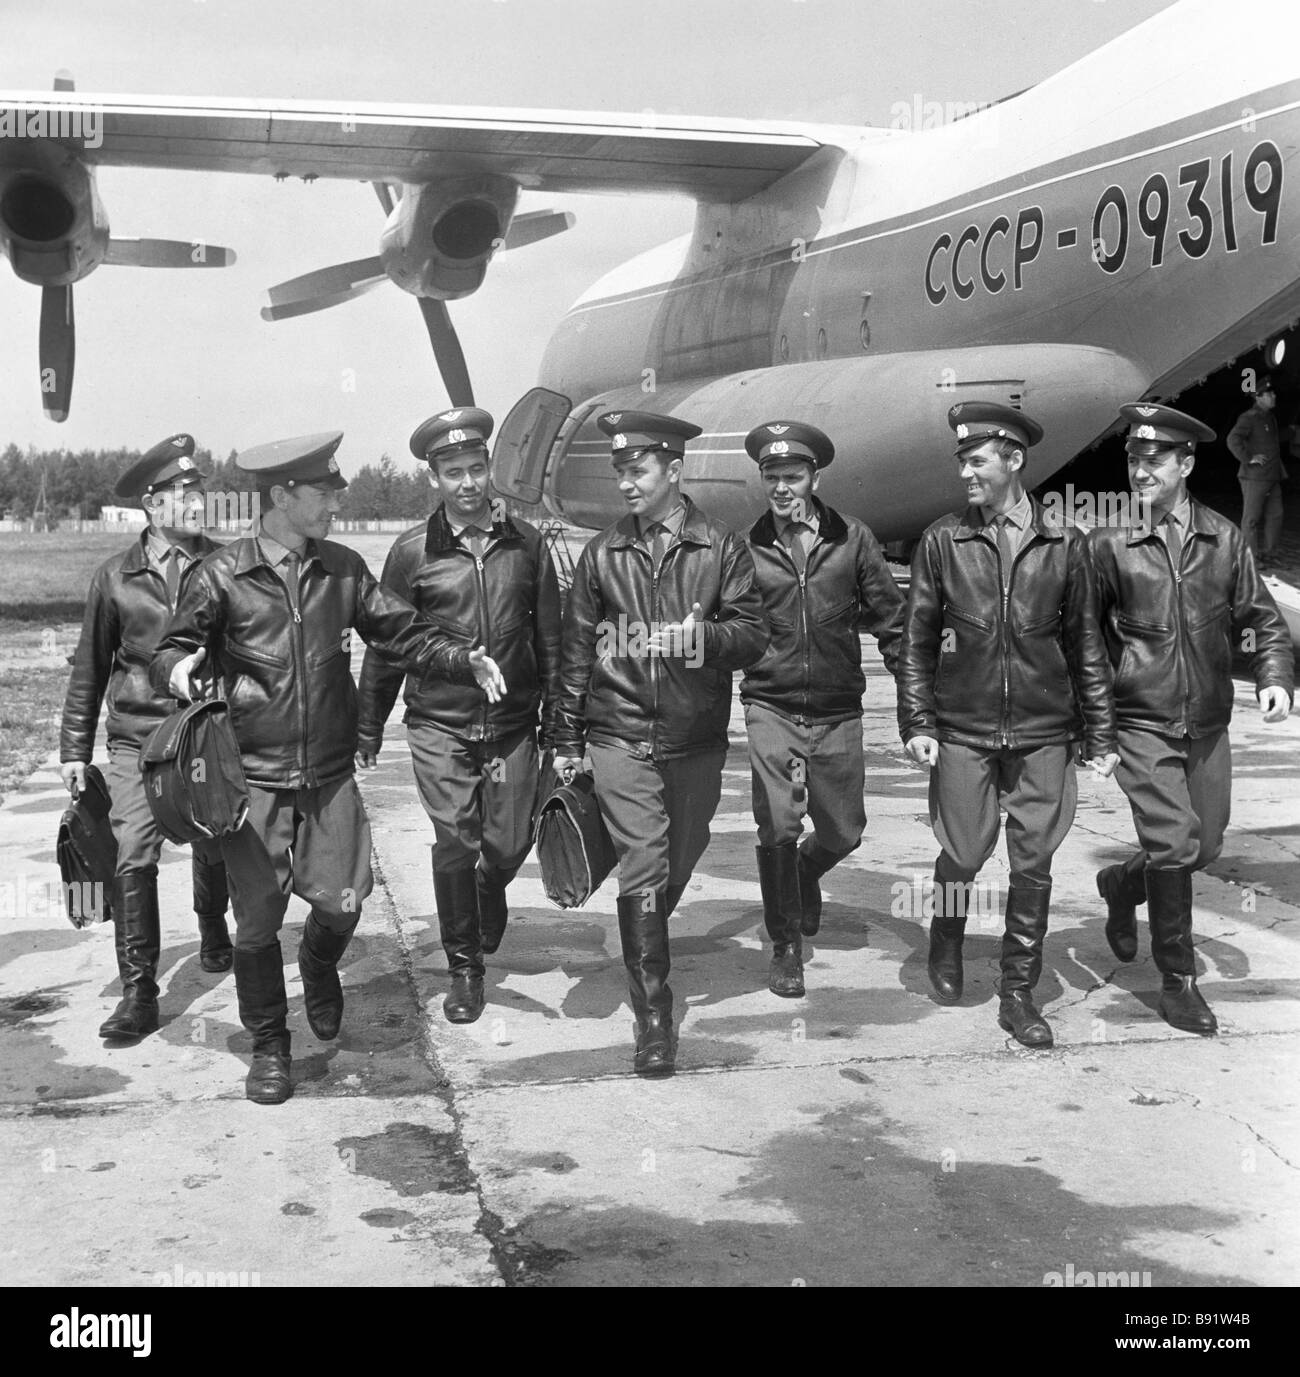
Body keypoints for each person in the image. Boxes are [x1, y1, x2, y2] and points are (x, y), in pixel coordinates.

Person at [150, 432, 505, 1104]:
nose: (338, 499)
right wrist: (179, 669)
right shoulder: (222, 575)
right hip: (250, 778)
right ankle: (270, 1046)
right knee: (256, 921)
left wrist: (463, 658)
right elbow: (169, 649)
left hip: (330, 774)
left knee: (345, 902)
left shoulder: (342, 570)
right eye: (326, 489)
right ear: (283, 495)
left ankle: (317, 961)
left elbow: (400, 631)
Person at [553, 410, 768, 1076]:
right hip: (619, 731)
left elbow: (754, 634)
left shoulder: (722, 546)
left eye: (637, 469)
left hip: (694, 735)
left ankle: (640, 926)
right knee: (645, 860)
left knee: (681, 852)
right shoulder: (602, 552)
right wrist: (565, 733)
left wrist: (699, 641)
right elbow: (576, 649)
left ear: (674, 470)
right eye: (619, 469)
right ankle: (653, 1018)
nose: (626, 483)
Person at [897, 402, 1117, 1048]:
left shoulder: (1064, 542)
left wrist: (1099, 732)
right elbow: (916, 640)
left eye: (976, 459)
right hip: (963, 726)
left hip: (1044, 727)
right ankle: (947, 936)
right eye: (962, 460)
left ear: (1014, 460)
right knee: (963, 851)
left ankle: (1018, 992)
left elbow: (1087, 644)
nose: (964, 470)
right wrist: (917, 718)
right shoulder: (943, 540)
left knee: (1034, 860)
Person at [1091, 403, 1292, 1034]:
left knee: (1203, 846)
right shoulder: (1107, 544)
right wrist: (1094, 727)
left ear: (1185, 463)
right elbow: (1086, 645)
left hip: (1208, 722)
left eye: (1154, 460)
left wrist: (1274, 677)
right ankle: (1178, 979)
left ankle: (1124, 884)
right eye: (1133, 459)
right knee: (1175, 841)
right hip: (1141, 721)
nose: (1140, 470)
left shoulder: (1224, 539)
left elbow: (1262, 618)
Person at [357, 408, 561, 1024]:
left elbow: (551, 637)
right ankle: (465, 969)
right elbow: (388, 643)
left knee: (508, 844)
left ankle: (486, 889)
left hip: (511, 725)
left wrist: (560, 720)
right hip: (439, 725)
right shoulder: (410, 553)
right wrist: (369, 725)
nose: (469, 483)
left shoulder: (526, 544)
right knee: (455, 839)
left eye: (477, 468)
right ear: (434, 478)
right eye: (454, 473)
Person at [60, 434, 233, 1041]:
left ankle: (212, 924)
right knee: (134, 848)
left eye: (199, 491)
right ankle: (139, 992)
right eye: (182, 493)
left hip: (203, 735)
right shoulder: (114, 579)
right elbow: (89, 668)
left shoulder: (225, 565)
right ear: (152, 505)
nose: (195, 501)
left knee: (214, 840)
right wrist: (74, 752)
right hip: (136, 738)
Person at [739, 420, 904, 997]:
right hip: (771, 703)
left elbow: (892, 620)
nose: (782, 487)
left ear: (815, 477)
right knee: (778, 824)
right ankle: (785, 946)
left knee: (844, 832)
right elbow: (724, 627)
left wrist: (919, 705)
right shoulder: (747, 546)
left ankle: (807, 872)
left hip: (838, 707)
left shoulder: (852, 538)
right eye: (772, 476)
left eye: (793, 476)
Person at [1226, 376, 1286, 565]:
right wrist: (1249, 458)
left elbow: (1270, 442)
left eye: (1273, 393)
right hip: (1254, 477)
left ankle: (1270, 553)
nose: (1273, 396)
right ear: (1258, 397)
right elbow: (1232, 439)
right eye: (1269, 394)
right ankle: (1250, 558)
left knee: (1275, 515)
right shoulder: (1249, 417)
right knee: (1251, 520)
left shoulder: (1270, 417)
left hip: (1272, 475)